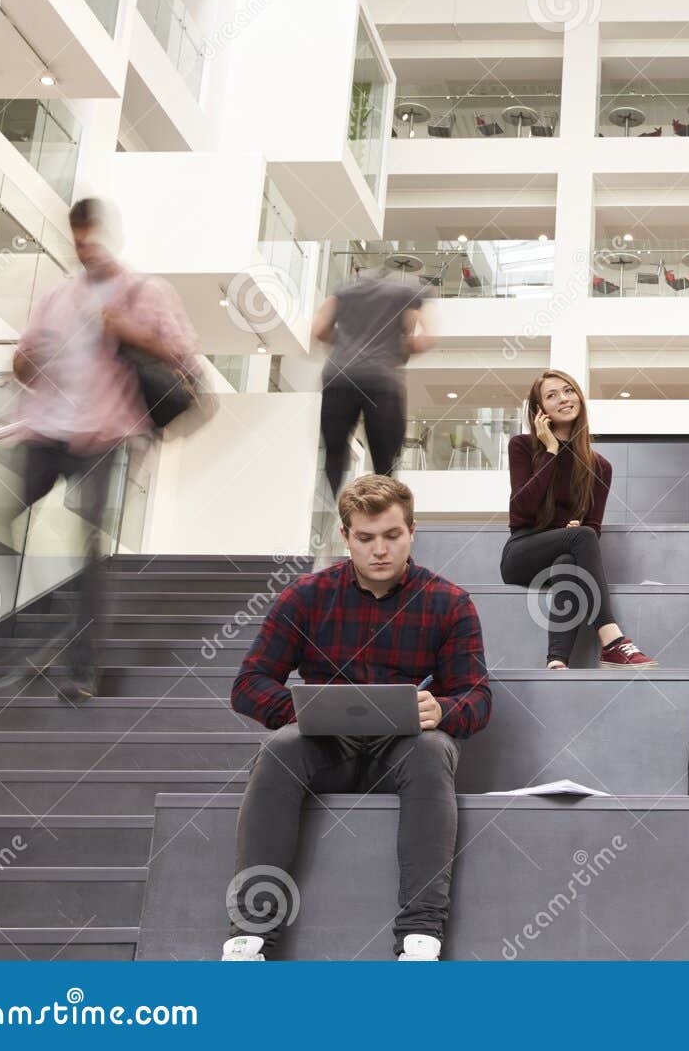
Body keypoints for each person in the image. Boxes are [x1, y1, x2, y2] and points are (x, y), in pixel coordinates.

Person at [224, 475, 491, 962]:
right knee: (280, 748)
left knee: (433, 750)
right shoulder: (304, 597)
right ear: (345, 538)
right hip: (326, 750)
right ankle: (250, 939)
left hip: (406, 752)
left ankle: (420, 938)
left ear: (412, 531)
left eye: (392, 536)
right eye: (365, 538)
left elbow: (477, 697)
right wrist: (307, 710)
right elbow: (248, 686)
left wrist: (443, 708)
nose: (380, 550)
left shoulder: (449, 602)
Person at [0, 197, 197, 702]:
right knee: (0, 514)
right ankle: (38, 626)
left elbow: (181, 356)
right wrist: (25, 361)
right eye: (77, 240)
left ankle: (82, 671)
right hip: (44, 429)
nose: (84, 249)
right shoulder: (58, 296)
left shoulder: (142, 291)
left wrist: (127, 330)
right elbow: (23, 364)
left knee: (90, 549)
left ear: (108, 234)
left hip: (103, 435)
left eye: (91, 239)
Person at [500, 370, 657, 669]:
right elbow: (521, 510)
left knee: (568, 563)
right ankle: (612, 640)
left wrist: (574, 530)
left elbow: (593, 527)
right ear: (540, 411)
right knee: (580, 537)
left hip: (562, 556)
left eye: (568, 390)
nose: (563, 399)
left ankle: (556, 661)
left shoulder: (600, 467)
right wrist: (550, 451)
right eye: (552, 395)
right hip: (521, 553)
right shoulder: (521, 446)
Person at [311, 263, 427, 501]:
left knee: (334, 454)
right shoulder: (405, 293)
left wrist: (344, 343)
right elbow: (424, 338)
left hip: (339, 376)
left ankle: (335, 515)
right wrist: (397, 349)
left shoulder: (344, 291)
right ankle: (384, 517)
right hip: (382, 380)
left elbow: (320, 330)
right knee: (385, 462)